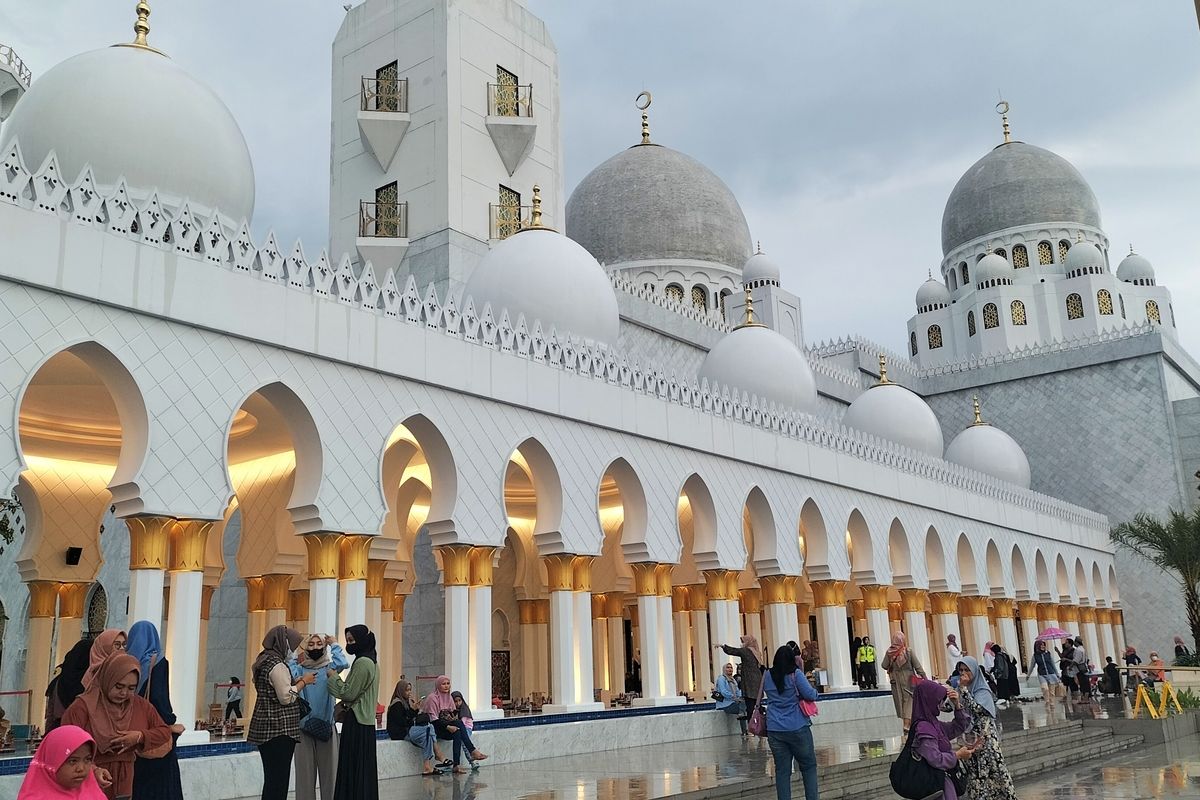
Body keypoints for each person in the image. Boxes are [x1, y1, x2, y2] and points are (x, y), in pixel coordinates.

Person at [60, 654, 173, 800]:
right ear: (108, 679)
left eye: (131, 688)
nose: (124, 693)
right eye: (119, 686)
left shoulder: (139, 705)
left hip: (125, 776)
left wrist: (139, 736)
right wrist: (92, 770)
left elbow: (164, 732)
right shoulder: (82, 707)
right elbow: (66, 743)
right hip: (87, 776)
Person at [247, 626, 315, 800]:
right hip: (279, 730)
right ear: (283, 644)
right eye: (292, 646)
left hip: (264, 727)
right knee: (279, 780)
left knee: (271, 779)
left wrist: (294, 682)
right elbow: (286, 696)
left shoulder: (263, 660)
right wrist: (304, 682)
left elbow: (274, 687)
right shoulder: (277, 665)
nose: (293, 651)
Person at [126, 620, 185, 800]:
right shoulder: (158, 661)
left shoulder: (125, 662)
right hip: (155, 731)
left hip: (133, 730)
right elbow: (159, 697)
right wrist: (169, 721)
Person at [289, 633, 349, 800]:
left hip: (326, 729)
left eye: (318, 644)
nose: (315, 647)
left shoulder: (328, 668)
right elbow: (290, 668)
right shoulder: (300, 670)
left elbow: (343, 663)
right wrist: (295, 651)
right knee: (304, 777)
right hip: (303, 729)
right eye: (311, 644)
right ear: (306, 648)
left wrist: (334, 644)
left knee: (330, 776)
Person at [326, 625, 380, 799]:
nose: (350, 644)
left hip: (357, 721)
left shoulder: (363, 662)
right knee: (362, 769)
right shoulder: (371, 661)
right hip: (365, 721)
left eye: (352, 640)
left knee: (353, 767)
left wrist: (333, 677)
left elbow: (348, 693)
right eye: (348, 640)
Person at [954, 656, 1018, 800]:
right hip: (969, 740)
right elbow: (949, 706)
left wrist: (963, 690)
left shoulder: (982, 690)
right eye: (961, 670)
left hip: (986, 741)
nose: (964, 674)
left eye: (967, 670)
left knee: (990, 773)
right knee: (974, 774)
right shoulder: (961, 690)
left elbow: (978, 709)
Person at [761, 645, 819, 800]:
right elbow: (810, 695)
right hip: (797, 726)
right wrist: (814, 690)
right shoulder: (795, 674)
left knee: (782, 770)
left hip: (774, 728)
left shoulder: (767, 675)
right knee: (808, 766)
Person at [910, 679, 976, 800]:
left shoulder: (933, 723)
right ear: (928, 700)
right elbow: (936, 759)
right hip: (936, 786)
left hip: (943, 782)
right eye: (938, 700)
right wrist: (957, 755)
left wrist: (957, 705)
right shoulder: (924, 728)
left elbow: (957, 727)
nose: (940, 704)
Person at [17, 725, 113, 800]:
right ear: (52, 762)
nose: (81, 768)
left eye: (87, 759)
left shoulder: (93, 794)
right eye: (73, 761)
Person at [423, 676, 486, 773]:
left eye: (448, 683)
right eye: (443, 684)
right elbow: (433, 720)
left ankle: (456, 765)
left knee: (458, 728)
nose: (446, 686)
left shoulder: (449, 698)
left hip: (447, 728)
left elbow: (453, 717)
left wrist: (451, 724)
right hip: (435, 729)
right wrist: (448, 726)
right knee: (457, 726)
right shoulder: (432, 698)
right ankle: (472, 750)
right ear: (438, 685)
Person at [385, 679, 445, 775]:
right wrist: (413, 711)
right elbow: (403, 722)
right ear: (401, 691)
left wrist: (415, 710)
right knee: (429, 729)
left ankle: (427, 767)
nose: (409, 693)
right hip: (400, 732)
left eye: (410, 690)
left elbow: (409, 718)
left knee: (428, 733)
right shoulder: (397, 704)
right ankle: (437, 753)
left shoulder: (404, 702)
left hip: (406, 730)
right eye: (407, 690)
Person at [880, 631, 926, 732]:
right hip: (909, 678)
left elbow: (884, 665)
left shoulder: (889, 652)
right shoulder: (908, 651)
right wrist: (925, 678)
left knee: (900, 700)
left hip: (896, 680)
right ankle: (906, 724)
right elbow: (918, 666)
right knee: (909, 700)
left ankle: (906, 724)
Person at [45, 638, 92, 732]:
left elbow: (50, 715)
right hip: (81, 734)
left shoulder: (57, 682)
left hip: (58, 732)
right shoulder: (90, 683)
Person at [718, 635, 763, 709]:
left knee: (750, 707)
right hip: (757, 683)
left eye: (743, 642)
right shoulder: (756, 652)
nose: (742, 644)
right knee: (757, 706)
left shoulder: (746, 651)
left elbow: (734, 651)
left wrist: (723, 646)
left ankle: (751, 720)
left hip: (749, 683)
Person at [714, 662, 746, 735]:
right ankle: (744, 731)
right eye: (728, 667)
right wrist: (734, 697)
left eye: (731, 667)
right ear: (724, 669)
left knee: (744, 706)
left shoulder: (733, 680)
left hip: (733, 702)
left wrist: (741, 697)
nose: (730, 669)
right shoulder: (721, 679)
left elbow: (737, 691)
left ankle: (745, 731)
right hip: (724, 704)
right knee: (742, 709)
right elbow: (723, 692)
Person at [1029, 640, 1060, 708]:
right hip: (1041, 674)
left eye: (1044, 645)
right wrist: (1028, 674)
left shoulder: (1048, 654)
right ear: (1037, 646)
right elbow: (1032, 666)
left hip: (1051, 673)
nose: (1043, 646)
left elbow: (1052, 664)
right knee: (1045, 688)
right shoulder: (1035, 656)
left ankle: (1052, 703)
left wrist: (1057, 674)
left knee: (1052, 691)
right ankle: (1047, 701)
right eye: (1041, 645)